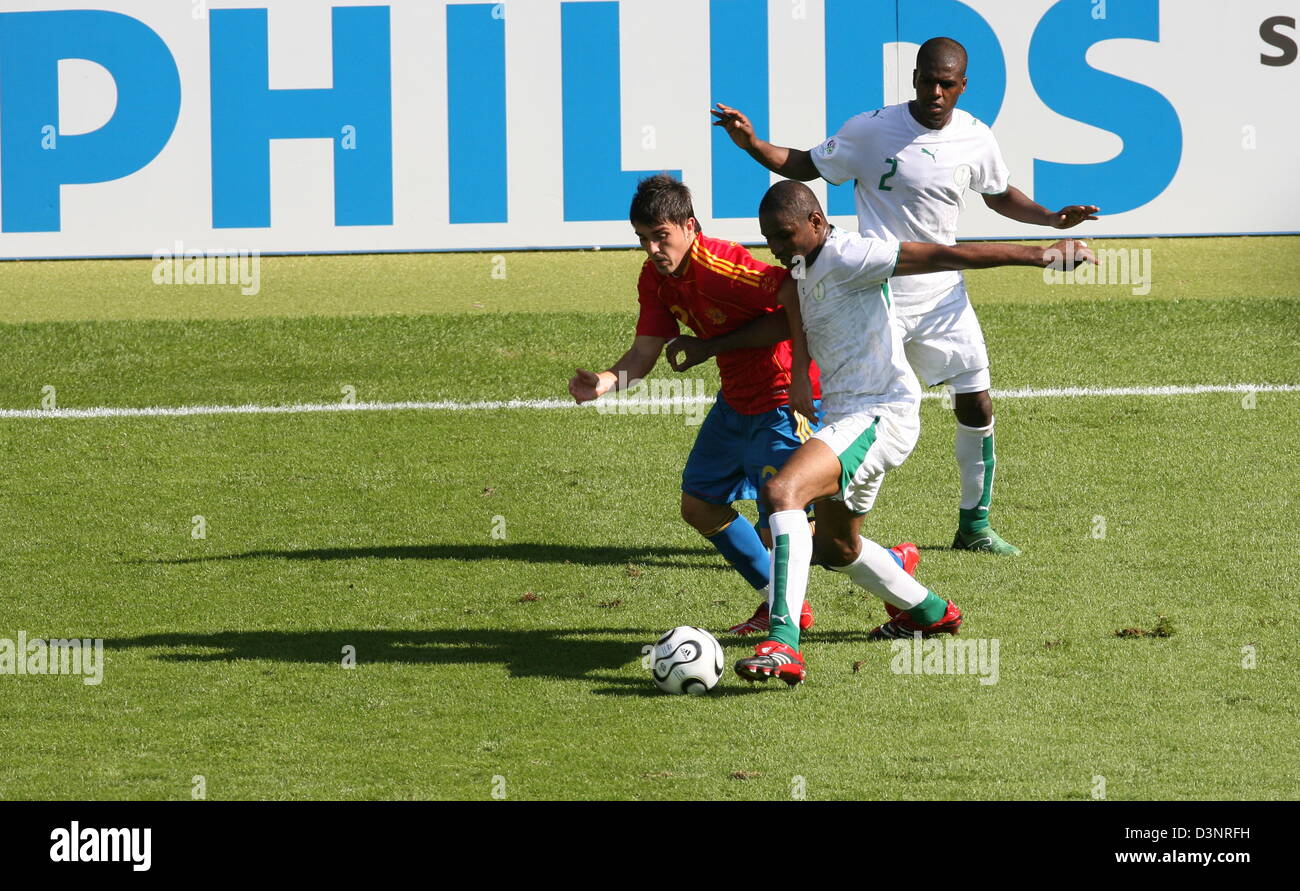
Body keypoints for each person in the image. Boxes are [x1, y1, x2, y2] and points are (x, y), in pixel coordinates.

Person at [713, 36, 1099, 556]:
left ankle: (974, 524)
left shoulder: (976, 137)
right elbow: (806, 164)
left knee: (977, 401)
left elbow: (998, 193)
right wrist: (753, 145)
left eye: (947, 83)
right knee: (858, 412)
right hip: (877, 294)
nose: (935, 91)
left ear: (963, 86)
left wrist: (1051, 219)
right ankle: (809, 523)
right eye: (926, 80)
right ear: (913, 78)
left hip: (943, 295)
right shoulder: (871, 130)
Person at [731, 180, 1090, 686]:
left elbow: (944, 253)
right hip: (846, 417)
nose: (777, 246)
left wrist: (1042, 255)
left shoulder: (852, 254)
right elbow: (801, 327)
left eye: (784, 235)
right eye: (769, 237)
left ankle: (782, 643)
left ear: (815, 222)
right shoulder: (804, 266)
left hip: (881, 414)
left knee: (780, 491)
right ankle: (930, 612)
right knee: (837, 548)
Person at [569, 174, 915, 634]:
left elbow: (792, 291)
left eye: (660, 237)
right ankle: (780, 599)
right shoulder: (656, 278)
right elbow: (644, 351)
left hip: (781, 402)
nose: (652, 250)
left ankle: (887, 565)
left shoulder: (721, 266)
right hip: (735, 402)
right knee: (699, 505)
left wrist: (797, 379)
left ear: (690, 226)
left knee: (786, 526)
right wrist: (609, 380)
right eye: (642, 239)